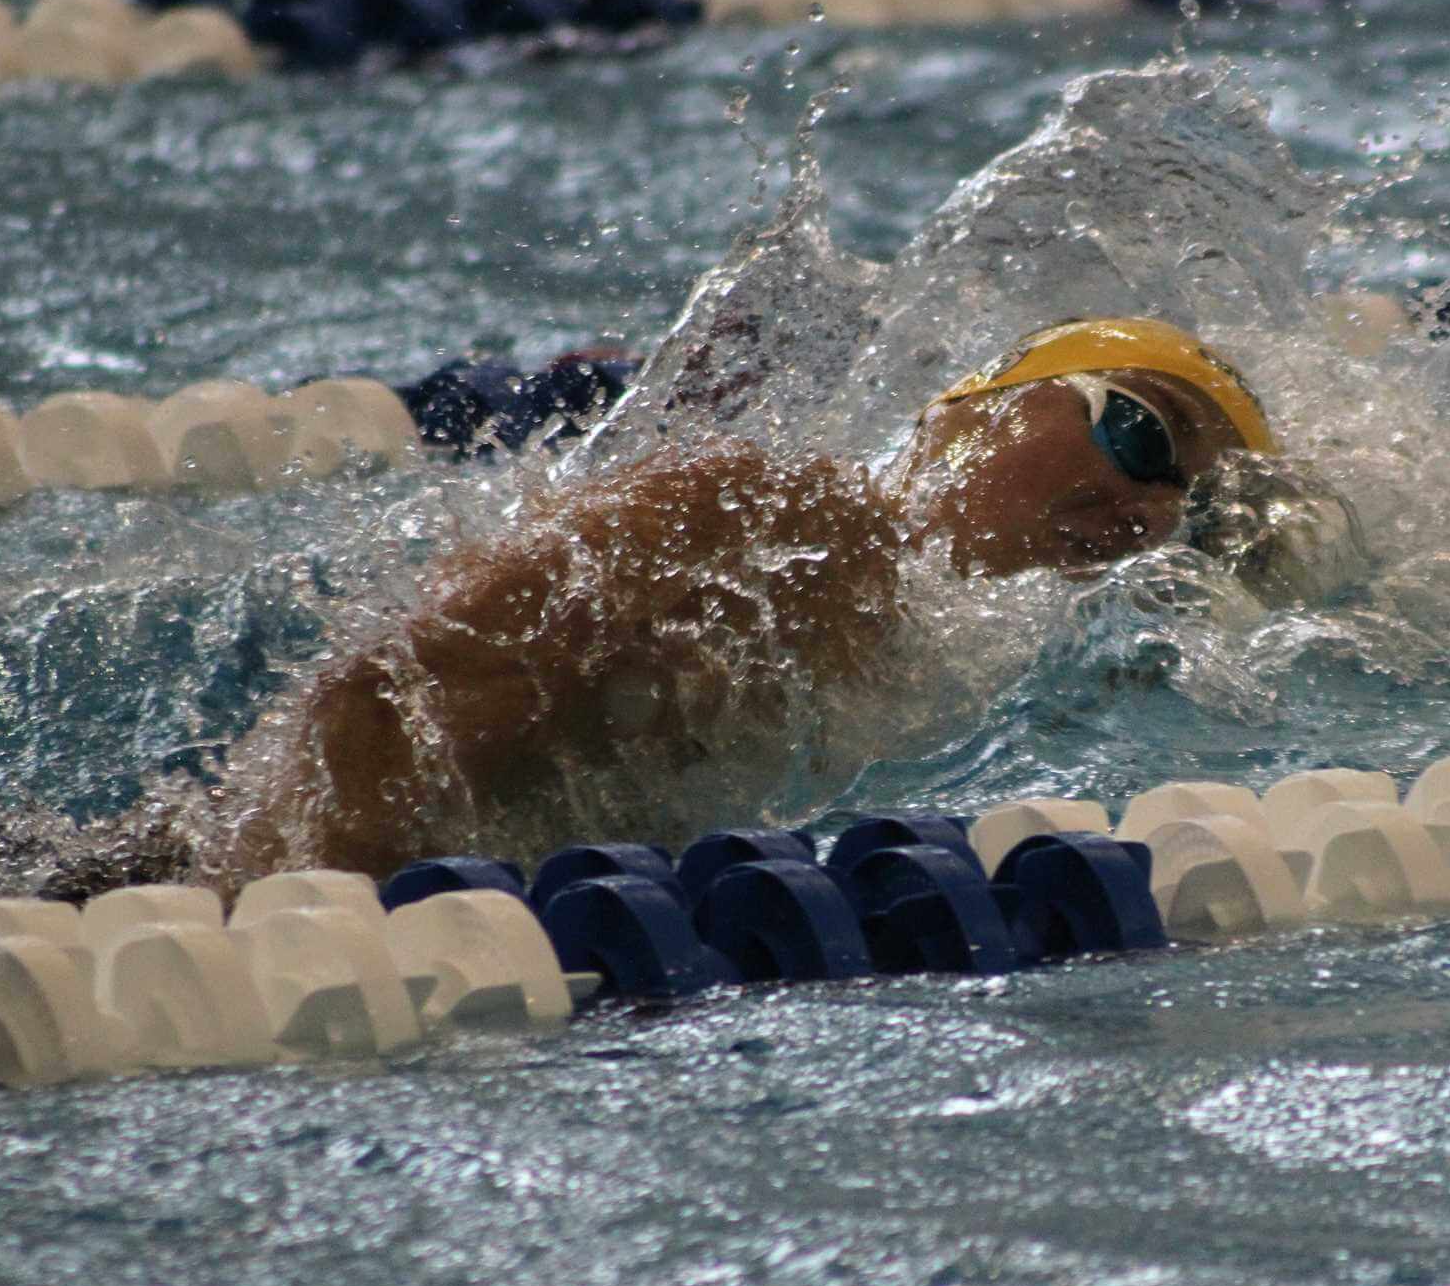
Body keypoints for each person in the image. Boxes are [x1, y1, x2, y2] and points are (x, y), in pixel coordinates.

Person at [223, 317, 1285, 880]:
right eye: (1140, 434)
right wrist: (324, 933)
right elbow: (383, 705)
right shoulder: (783, 525)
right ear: (967, 410)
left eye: (1199, 503)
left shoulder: (996, 680)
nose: (1153, 507)